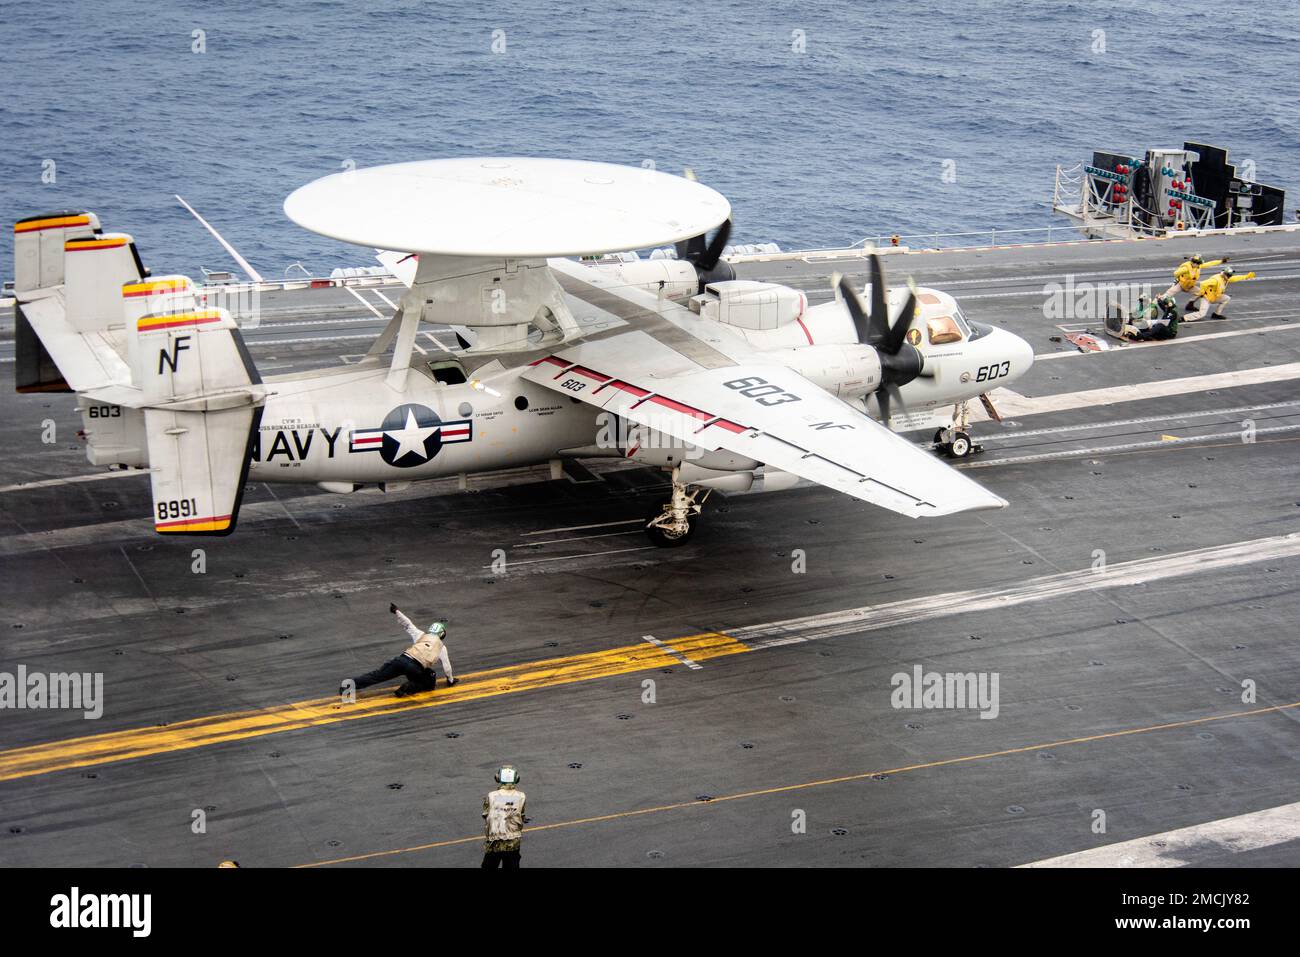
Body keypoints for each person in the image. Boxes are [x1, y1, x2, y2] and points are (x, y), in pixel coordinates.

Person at [340, 604, 456, 699]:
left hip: (402, 659)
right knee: (429, 682)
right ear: (442, 635)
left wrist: (396, 611)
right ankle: (407, 688)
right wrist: (450, 680)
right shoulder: (442, 647)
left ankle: (348, 685)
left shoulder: (421, 635)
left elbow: (408, 624)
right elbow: (447, 667)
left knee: (376, 676)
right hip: (415, 668)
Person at [482, 766, 528, 868]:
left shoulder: (491, 795)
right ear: (517, 779)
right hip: (513, 841)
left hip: (494, 842)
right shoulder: (521, 796)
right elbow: (522, 815)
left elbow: (485, 814)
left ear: (497, 778)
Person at [1185, 266, 1254, 322]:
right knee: (1202, 314)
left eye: (1230, 276)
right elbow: (1203, 283)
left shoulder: (1226, 278)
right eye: (1228, 275)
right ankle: (1184, 318)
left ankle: (1216, 314)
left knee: (1226, 298)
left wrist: (1246, 276)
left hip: (1214, 297)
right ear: (1224, 274)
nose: (1229, 277)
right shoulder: (1216, 280)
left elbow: (1235, 278)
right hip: (1206, 298)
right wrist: (1202, 292)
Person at [1162, 253, 1228, 300]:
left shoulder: (1199, 266)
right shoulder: (1186, 268)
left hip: (1190, 287)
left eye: (1199, 263)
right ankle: (1154, 304)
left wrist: (1221, 261)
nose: (1197, 264)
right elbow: (1175, 273)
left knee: (1202, 293)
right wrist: (1179, 278)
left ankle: (1190, 304)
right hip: (1181, 285)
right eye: (1196, 263)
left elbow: (1210, 263)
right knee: (1167, 294)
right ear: (1193, 262)